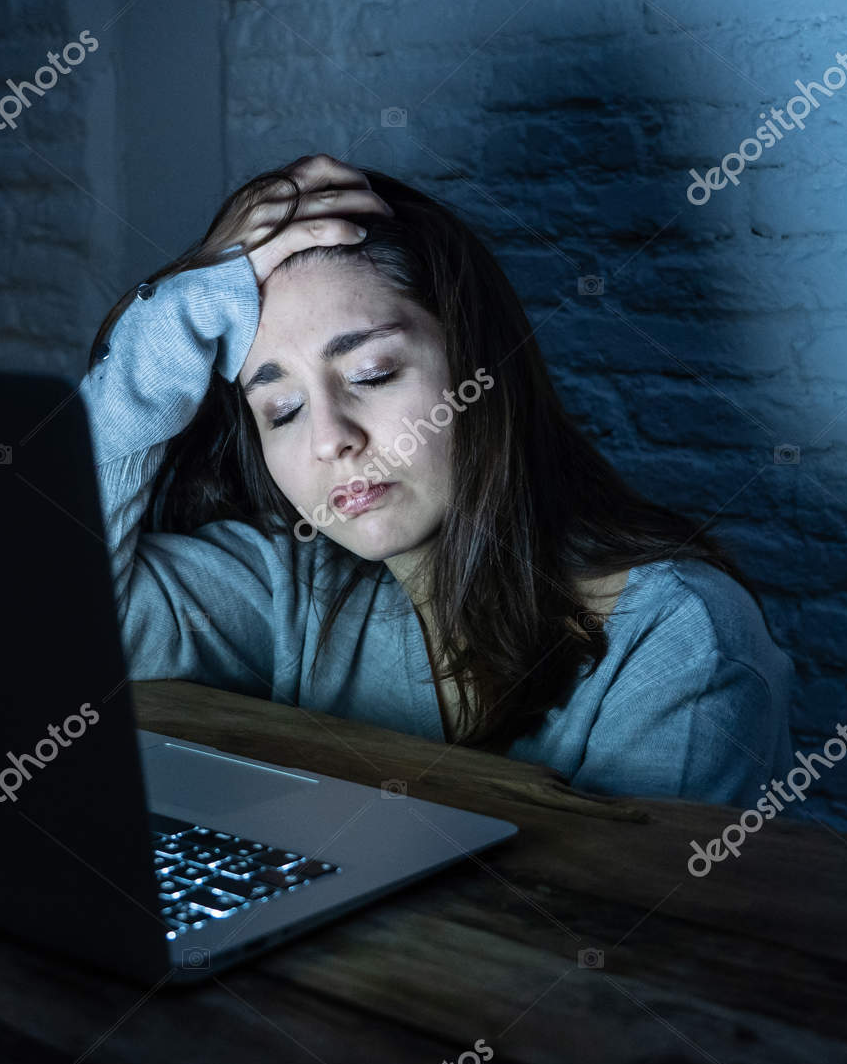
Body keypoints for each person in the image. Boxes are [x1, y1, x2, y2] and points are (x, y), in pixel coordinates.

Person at [78, 153, 794, 804]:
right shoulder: (293, 593)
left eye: (372, 373)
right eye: (283, 409)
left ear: (480, 365)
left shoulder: (676, 643)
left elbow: (625, 936)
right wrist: (181, 304)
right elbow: (51, 602)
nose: (331, 438)